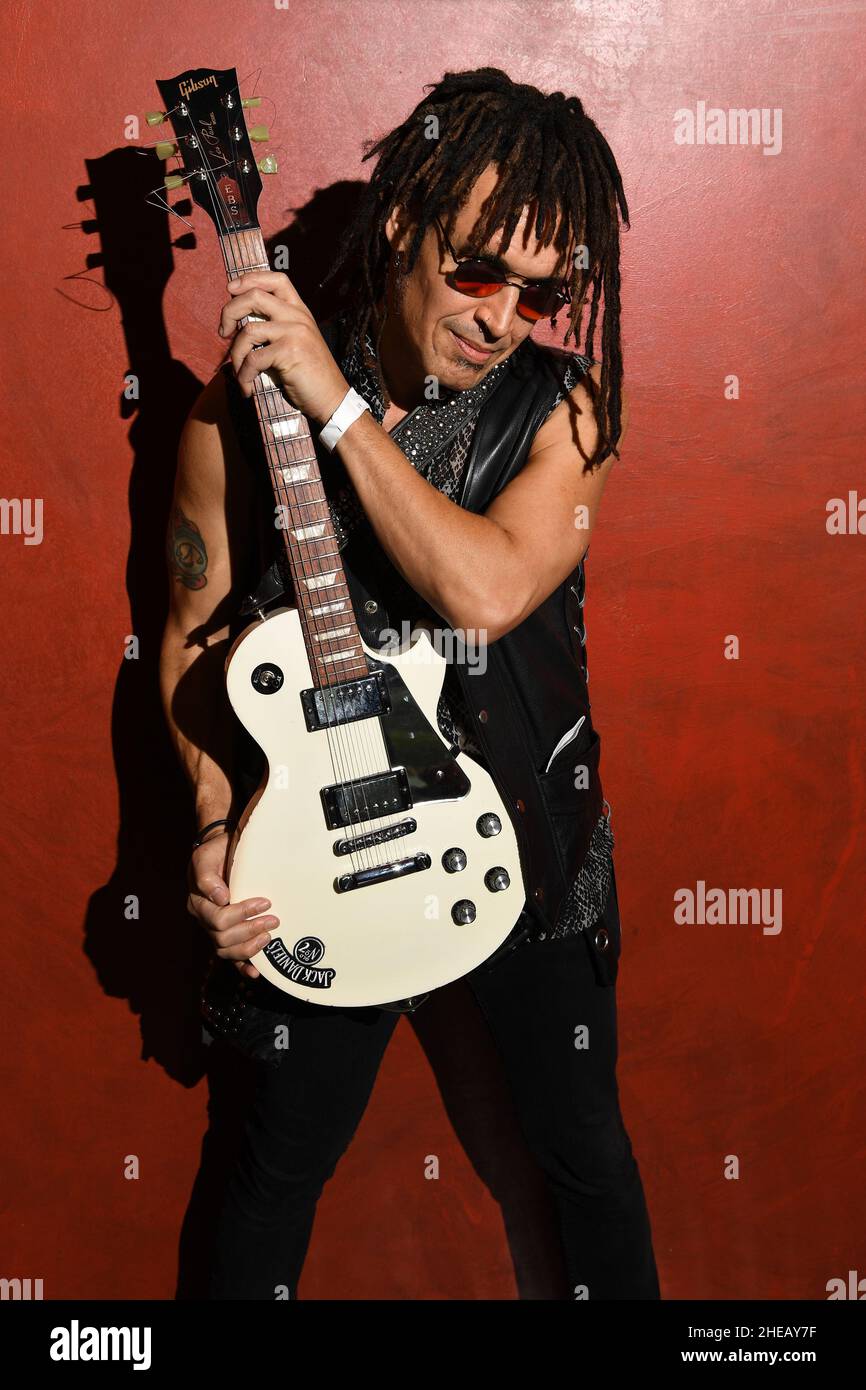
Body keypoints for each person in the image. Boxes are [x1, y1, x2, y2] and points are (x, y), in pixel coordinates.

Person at [159, 67, 660, 1300]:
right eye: (479, 270)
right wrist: (220, 824)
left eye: (546, 295)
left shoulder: (565, 409)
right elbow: (191, 628)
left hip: (525, 848)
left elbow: (483, 590)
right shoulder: (247, 404)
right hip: (323, 849)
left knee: (586, 1161)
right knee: (271, 1171)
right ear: (404, 226)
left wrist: (336, 412)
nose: (503, 318)